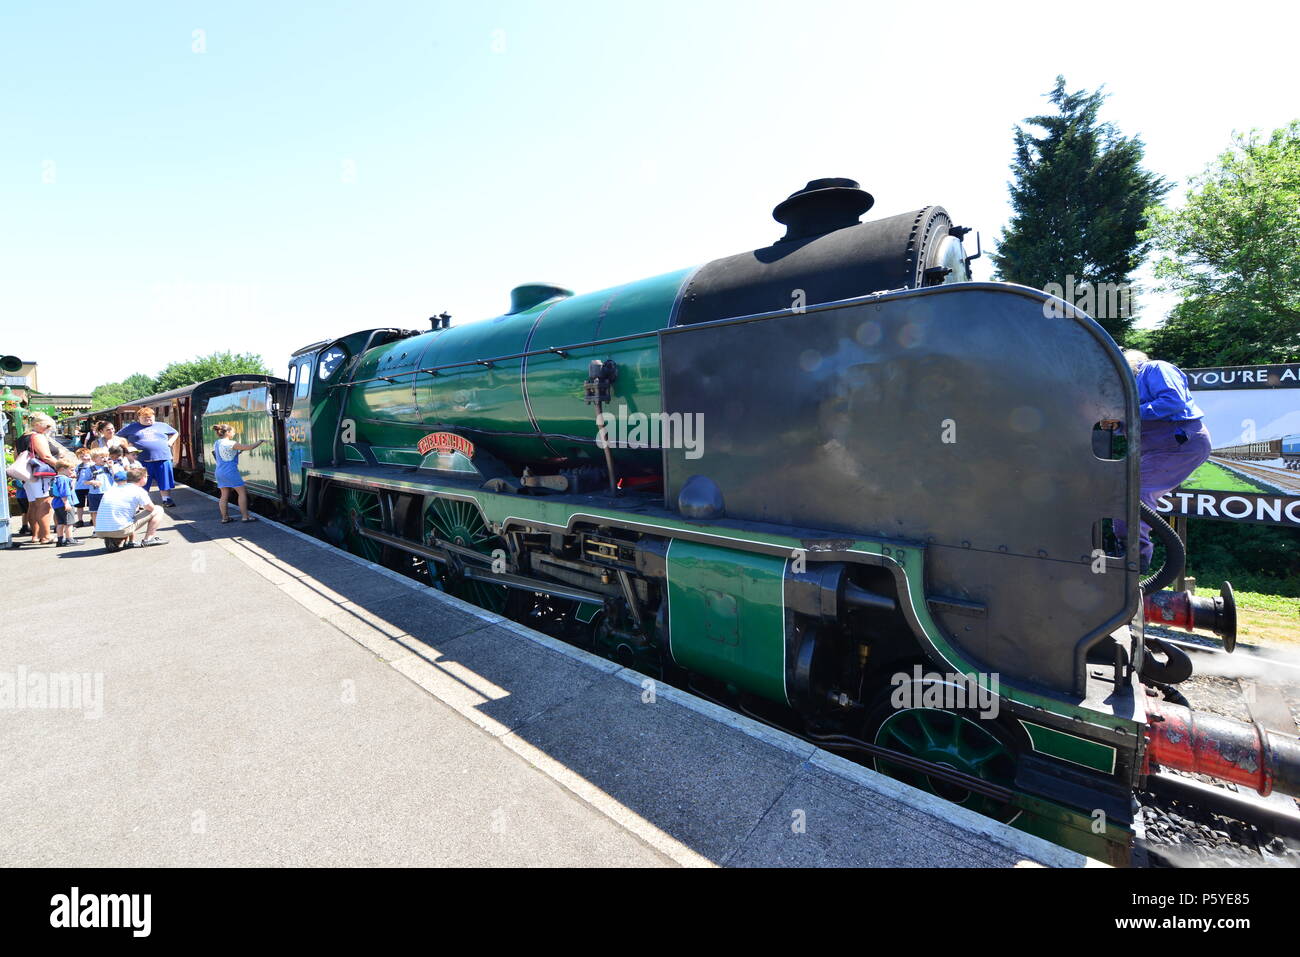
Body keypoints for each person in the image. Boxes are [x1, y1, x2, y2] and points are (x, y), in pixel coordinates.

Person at [1116, 350, 1213, 571]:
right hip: (1155, 448)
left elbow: (1173, 402)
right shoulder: (1128, 387)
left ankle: (1134, 555)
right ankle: (1125, 551)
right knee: (1121, 489)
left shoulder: (1156, 368)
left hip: (1179, 443)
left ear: (1129, 360)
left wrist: (1125, 414)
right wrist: (1116, 424)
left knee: (1134, 491)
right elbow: (1132, 419)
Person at [116, 407, 178, 507]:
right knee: (141, 481)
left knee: (164, 479)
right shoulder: (132, 427)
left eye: (150, 418)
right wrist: (127, 446)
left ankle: (166, 499)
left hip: (162, 457)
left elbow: (175, 433)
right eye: (145, 418)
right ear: (139, 418)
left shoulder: (162, 425)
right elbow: (118, 437)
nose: (148, 420)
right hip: (141, 459)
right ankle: (142, 502)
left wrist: (170, 442)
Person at [16, 412, 63, 545]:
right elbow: (46, 456)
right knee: (45, 504)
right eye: (47, 425)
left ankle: (36, 535)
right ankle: (46, 536)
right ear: (37, 424)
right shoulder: (37, 436)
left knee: (33, 505)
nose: (50, 428)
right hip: (40, 475)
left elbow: (16, 457)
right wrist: (61, 466)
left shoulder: (21, 438)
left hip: (27, 475)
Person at [94, 467, 167, 547]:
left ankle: (116, 540)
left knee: (125, 516)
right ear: (143, 478)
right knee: (158, 509)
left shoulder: (111, 490)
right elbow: (151, 509)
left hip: (100, 530)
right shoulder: (139, 491)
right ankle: (148, 539)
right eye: (147, 476)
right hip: (121, 529)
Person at [211, 423, 265, 523]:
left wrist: (237, 453)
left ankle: (225, 518)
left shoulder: (217, 443)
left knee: (224, 495)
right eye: (233, 432)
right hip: (230, 471)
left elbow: (225, 454)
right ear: (227, 432)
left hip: (219, 471)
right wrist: (260, 441)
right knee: (242, 492)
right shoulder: (230, 443)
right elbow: (249, 447)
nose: (234, 433)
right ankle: (245, 516)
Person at [50, 462, 82, 547]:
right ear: (62, 469)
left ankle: (60, 540)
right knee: (69, 523)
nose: (73, 472)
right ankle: (69, 539)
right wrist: (66, 503)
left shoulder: (56, 478)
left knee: (60, 523)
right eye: (71, 470)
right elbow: (64, 492)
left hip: (57, 503)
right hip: (65, 503)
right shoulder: (64, 479)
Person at [84, 447, 114, 519]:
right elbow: (85, 481)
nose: (105, 459)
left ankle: (108, 528)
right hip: (94, 493)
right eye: (102, 457)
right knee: (95, 512)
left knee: (108, 511)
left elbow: (116, 477)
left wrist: (112, 467)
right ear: (94, 459)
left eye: (106, 457)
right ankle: (96, 529)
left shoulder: (109, 467)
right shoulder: (90, 469)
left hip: (107, 493)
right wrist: (92, 482)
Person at [73, 447, 95, 526]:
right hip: (79, 487)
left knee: (91, 505)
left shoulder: (93, 465)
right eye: (81, 456)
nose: (84, 458)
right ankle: (80, 520)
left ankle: (93, 519)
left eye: (86, 455)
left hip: (90, 487)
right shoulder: (78, 466)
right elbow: (74, 474)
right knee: (79, 505)